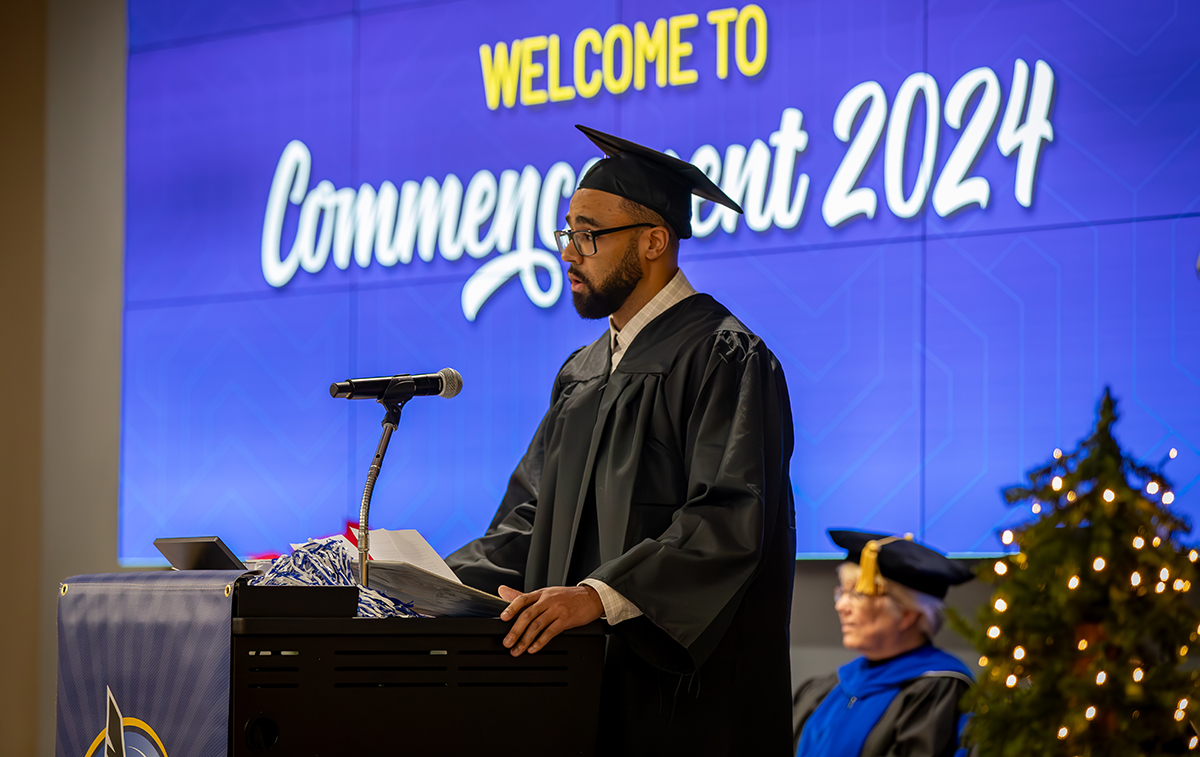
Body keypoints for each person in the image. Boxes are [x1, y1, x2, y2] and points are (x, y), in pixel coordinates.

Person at [446, 125, 797, 755]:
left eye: (589, 235)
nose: (569, 254)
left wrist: (597, 598)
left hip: (678, 707)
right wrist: (422, 582)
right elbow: (529, 520)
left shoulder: (724, 357)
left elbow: (729, 518)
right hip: (578, 690)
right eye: (567, 234)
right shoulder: (581, 372)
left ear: (654, 240)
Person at [793, 530, 975, 757]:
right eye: (842, 592)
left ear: (908, 613)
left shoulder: (936, 689)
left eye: (858, 594)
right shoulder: (828, 688)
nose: (841, 606)